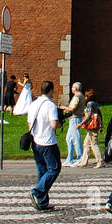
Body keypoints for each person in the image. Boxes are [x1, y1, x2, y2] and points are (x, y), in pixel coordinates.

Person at [27, 79, 62, 210]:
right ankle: (37, 191)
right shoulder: (50, 105)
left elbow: (29, 123)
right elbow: (53, 124)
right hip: (48, 142)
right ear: (51, 91)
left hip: (36, 141)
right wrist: (60, 123)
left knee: (42, 171)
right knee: (54, 168)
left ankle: (42, 201)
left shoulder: (33, 104)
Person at [78, 89, 104, 167]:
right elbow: (99, 113)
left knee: (94, 144)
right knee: (86, 144)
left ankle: (100, 161)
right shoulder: (95, 103)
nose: (85, 98)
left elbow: (89, 115)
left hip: (92, 127)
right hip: (95, 126)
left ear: (88, 96)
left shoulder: (90, 104)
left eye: (86, 96)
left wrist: (81, 123)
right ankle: (84, 161)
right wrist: (101, 124)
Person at [63, 82, 85, 166]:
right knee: (68, 139)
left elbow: (72, 108)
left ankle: (80, 158)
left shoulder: (77, 96)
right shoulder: (81, 95)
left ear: (76, 88)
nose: (71, 89)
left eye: (72, 87)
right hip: (74, 119)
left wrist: (64, 108)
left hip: (75, 119)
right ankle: (69, 159)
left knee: (76, 139)